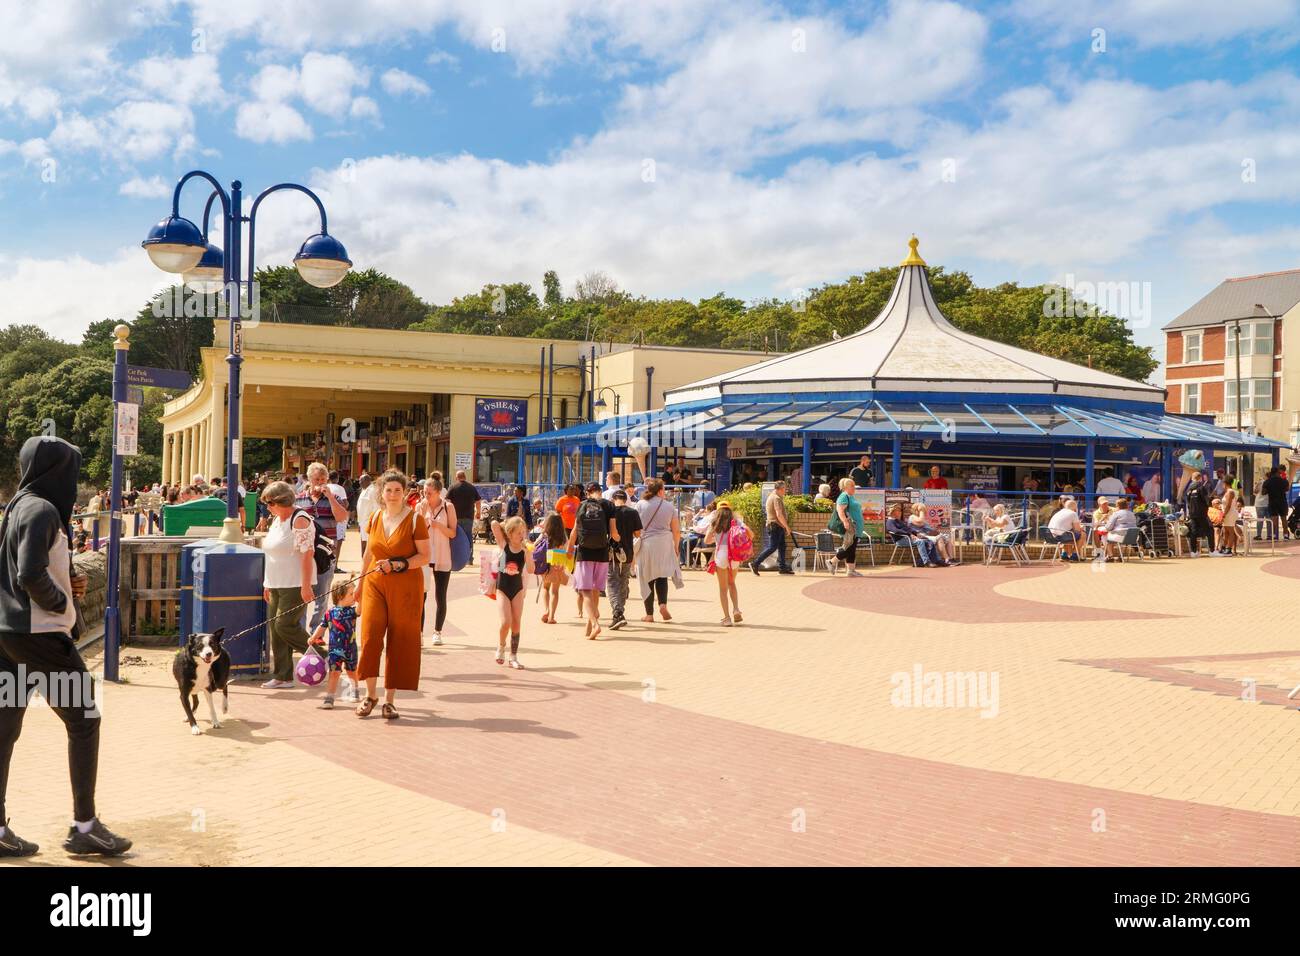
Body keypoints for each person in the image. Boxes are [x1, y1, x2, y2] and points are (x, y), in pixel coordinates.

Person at [0, 436, 131, 858]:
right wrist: (61, 604)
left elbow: (21, 570)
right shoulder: (42, 510)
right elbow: (30, 575)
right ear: (59, 472)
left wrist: (70, 588)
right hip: (41, 636)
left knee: (4, 731)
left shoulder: (17, 507)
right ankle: (85, 827)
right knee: (85, 718)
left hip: (8, 638)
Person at [355, 470, 431, 719]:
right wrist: (358, 582)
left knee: (400, 640)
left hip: (406, 586)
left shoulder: (415, 519)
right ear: (382, 493)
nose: (393, 494)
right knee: (369, 636)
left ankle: (389, 700)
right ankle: (370, 695)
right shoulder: (375, 517)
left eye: (398, 490)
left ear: (405, 492)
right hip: (375, 583)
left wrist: (398, 564)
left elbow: (424, 556)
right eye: (389, 490)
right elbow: (369, 553)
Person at [259, 481, 318, 690]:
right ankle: (282, 676)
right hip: (275, 582)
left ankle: (325, 656)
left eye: (270, 503)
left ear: (281, 501)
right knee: (275, 631)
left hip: (294, 583)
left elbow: (307, 554)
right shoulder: (276, 520)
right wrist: (267, 584)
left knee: (284, 625)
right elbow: (271, 553)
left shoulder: (299, 519)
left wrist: (305, 586)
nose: (267, 507)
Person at [295, 463, 349, 633]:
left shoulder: (334, 499)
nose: (319, 482)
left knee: (323, 595)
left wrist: (331, 498)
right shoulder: (299, 499)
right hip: (304, 554)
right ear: (309, 480)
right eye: (316, 479)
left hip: (325, 554)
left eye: (323, 479)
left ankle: (315, 631)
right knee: (302, 594)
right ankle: (301, 632)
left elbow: (341, 517)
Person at [566, 483, 619, 641]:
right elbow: (614, 533)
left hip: (585, 552)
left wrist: (569, 549)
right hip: (602, 553)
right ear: (600, 492)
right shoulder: (609, 505)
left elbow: (575, 531)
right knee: (595, 589)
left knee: (585, 590)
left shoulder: (582, 505)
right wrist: (620, 539)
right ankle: (589, 625)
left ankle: (595, 624)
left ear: (588, 493)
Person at [415, 478, 458, 647]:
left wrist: (437, 526)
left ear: (439, 492)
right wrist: (424, 518)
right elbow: (415, 532)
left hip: (442, 555)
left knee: (441, 595)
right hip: (424, 556)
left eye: (429, 493)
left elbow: (453, 533)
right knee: (421, 596)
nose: (426, 495)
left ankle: (437, 632)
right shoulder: (419, 506)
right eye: (424, 492)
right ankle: (419, 633)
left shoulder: (448, 507)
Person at [310, 577, 361, 710]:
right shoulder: (330, 613)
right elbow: (322, 626)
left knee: (352, 671)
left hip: (350, 649)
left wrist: (360, 596)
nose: (354, 597)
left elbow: (360, 610)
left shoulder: (352, 611)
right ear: (340, 595)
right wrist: (314, 637)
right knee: (334, 673)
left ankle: (355, 690)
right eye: (351, 594)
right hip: (334, 650)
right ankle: (329, 698)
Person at [635, 478, 681, 623]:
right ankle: (663, 605)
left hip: (647, 544)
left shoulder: (640, 504)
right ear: (660, 491)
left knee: (646, 577)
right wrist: (676, 546)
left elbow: (636, 528)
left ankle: (649, 614)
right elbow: (677, 531)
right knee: (662, 576)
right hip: (665, 544)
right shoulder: (669, 506)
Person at [490, 516, 532, 668]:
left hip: (517, 588)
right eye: (519, 532)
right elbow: (494, 524)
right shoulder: (504, 544)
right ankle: (501, 647)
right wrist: (506, 525)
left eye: (523, 532)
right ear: (510, 533)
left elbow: (532, 570)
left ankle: (513, 656)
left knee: (516, 623)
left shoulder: (524, 550)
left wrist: (529, 554)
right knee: (505, 622)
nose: (522, 536)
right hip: (502, 588)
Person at [702, 499, 745, 626]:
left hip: (721, 554)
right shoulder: (736, 521)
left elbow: (707, 540)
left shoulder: (715, 522)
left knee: (722, 588)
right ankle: (736, 609)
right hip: (734, 555)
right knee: (732, 583)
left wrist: (716, 537)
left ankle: (727, 618)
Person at [607, 489, 642, 630]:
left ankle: (617, 612)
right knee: (623, 581)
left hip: (611, 552)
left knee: (612, 582)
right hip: (627, 551)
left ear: (613, 499)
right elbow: (638, 533)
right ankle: (619, 612)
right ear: (626, 499)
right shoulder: (633, 512)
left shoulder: (610, 512)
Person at [751, 480, 794, 575]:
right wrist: (787, 527)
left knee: (782, 546)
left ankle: (782, 567)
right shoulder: (776, 498)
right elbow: (779, 514)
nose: (785, 490)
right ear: (781, 489)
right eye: (785, 488)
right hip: (775, 525)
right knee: (772, 547)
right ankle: (756, 563)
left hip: (778, 525)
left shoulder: (773, 496)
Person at [538, 512, 571, 625]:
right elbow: (567, 550)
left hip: (546, 566)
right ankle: (552, 616)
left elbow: (536, 544)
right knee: (555, 592)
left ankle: (546, 610)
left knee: (545, 588)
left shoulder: (545, 535)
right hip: (559, 566)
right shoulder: (563, 537)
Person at [830, 478, 865, 576]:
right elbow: (840, 510)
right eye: (852, 486)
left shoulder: (851, 496)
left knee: (852, 549)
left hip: (855, 528)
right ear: (845, 487)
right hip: (850, 527)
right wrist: (845, 522)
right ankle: (831, 562)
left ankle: (851, 571)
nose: (854, 488)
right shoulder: (844, 496)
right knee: (849, 548)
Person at [445, 470, 481, 561]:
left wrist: (447, 514)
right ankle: (469, 558)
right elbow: (478, 501)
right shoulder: (472, 487)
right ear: (465, 477)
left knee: (454, 537)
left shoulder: (452, 487)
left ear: (457, 477)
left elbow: (447, 501)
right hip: (468, 516)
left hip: (455, 517)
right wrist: (478, 512)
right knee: (468, 536)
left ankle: (456, 558)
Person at [1183, 474, 1214, 555]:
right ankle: (1212, 551)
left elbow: (1188, 503)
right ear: (1199, 478)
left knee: (1193, 532)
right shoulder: (1201, 487)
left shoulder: (1188, 490)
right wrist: (1209, 504)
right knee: (1210, 530)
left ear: (1192, 478)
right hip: (1201, 514)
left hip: (1192, 514)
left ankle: (1193, 552)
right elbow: (1206, 500)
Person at [1262, 466, 1291, 541]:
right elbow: (1287, 489)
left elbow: (1263, 492)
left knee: (1274, 519)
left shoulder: (1267, 481)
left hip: (1272, 502)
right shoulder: (1284, 481)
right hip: (1282, 502)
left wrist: (1270, 489)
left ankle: (1274, 535)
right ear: (1278, 472)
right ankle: (1285, 535)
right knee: (1284, 518)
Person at [356, 474, 379, 561]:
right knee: (363, 544)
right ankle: (364, 562)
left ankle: (368, 563)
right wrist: (359, 523)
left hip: (369, 523)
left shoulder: (373, 491)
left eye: (361, 481)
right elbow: (360, 508)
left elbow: (376, 508)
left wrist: (372, 523)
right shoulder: (364, 490)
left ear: (367, 481)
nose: (359, 482)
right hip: (362, 523)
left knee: (368, 545)